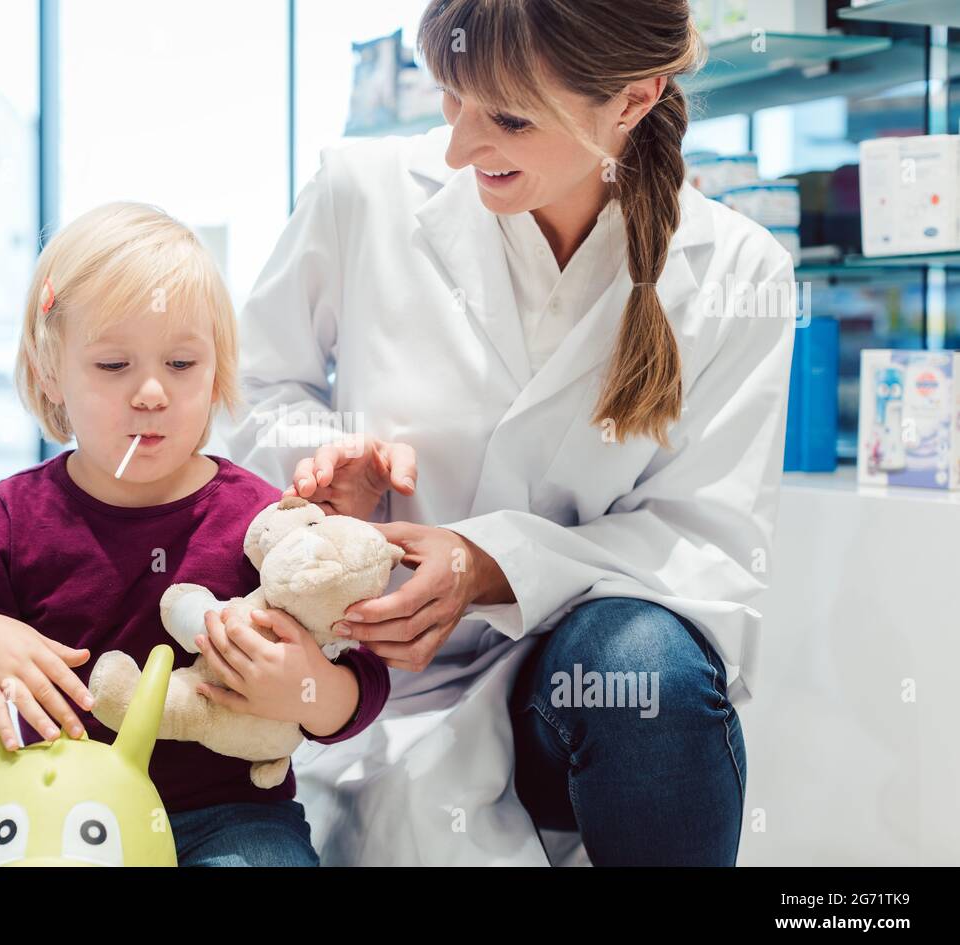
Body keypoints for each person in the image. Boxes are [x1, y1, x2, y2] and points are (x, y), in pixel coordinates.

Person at [223, 0, 795, 865]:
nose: (457, 149)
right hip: (364, 676)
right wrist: (321, 458)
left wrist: (488, 564)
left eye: (509, 118)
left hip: (567, 686)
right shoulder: (360, 190)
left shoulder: (739, 272)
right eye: (452, 99)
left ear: (635, 99)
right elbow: (257, 384)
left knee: (648, 669)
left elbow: (705, 545)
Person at [0, 202, 390, 867]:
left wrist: (312, 687)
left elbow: (363, 678)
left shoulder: (259, 518)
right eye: (113, 365)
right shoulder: (13, 517)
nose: (150, 392)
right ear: (50, 371)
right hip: (39, 811)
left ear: (218, 370)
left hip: (223, 819)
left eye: (181, 363)